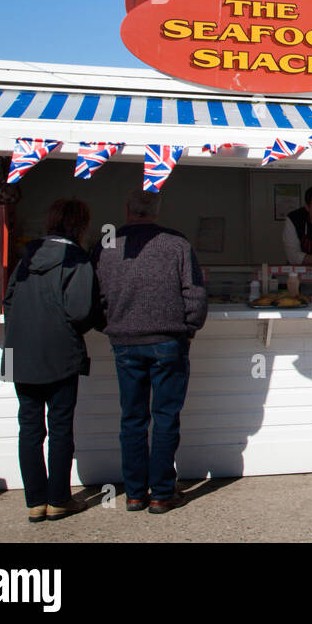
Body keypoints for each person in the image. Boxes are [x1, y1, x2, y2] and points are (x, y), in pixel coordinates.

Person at [92, 190, 207, 514]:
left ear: (127, 210)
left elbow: (94, 296)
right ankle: (161, 493)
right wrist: (189, 329)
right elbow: (195, 294)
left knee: (132, 419)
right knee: (166, 417)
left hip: (125, 343)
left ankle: (133, 494)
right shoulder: (176, 243)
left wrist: (110, 326)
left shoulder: (108, 243)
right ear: (157, 211)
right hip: (168, 341)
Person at [1, 198, 104, 523]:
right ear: (81, 225)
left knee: (29, 427)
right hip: (60, 354)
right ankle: (59, 499)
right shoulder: (78, 260)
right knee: (60, 428)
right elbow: (80, 312)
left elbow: (9, 300)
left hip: (18, 353)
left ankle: (35, 502)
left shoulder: (26, 255)